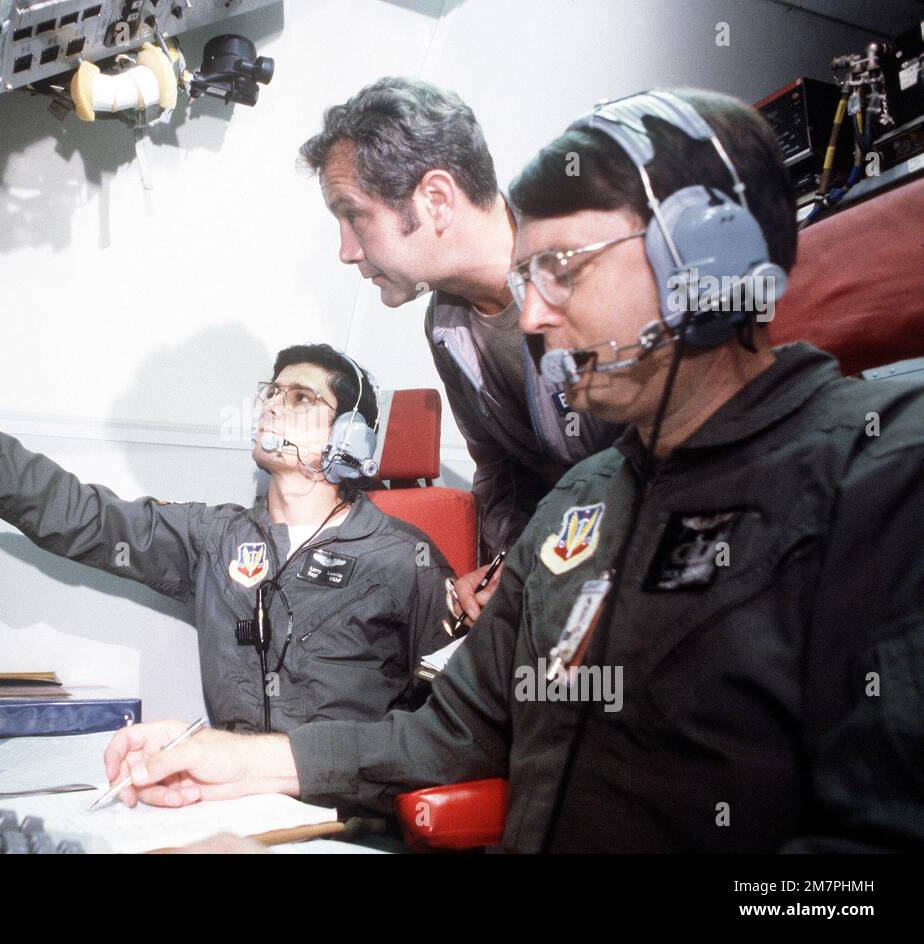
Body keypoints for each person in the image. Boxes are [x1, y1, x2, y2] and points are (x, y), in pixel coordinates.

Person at [100, 88, 924, 852]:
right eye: (528, 274)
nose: (530, 314)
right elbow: (440, 738)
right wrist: (225, 760)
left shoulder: (882, 478)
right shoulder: (578, 504)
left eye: (563, 269)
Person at [0, 320, 455, 732]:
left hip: (346, 812)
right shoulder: (215, 538)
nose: (273, 404)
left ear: (349, 436)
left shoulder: (405, 558)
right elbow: (84, 518)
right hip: (233, 795)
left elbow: (456, 710)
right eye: (271, 391)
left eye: (300, 397)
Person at [299, 77, 623, 624]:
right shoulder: (445, 325)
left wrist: (559, 572)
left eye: (353, 216)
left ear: (436, 200)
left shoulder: (598, 263)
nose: (345, 251)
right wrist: (510, 569)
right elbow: (501, 471)